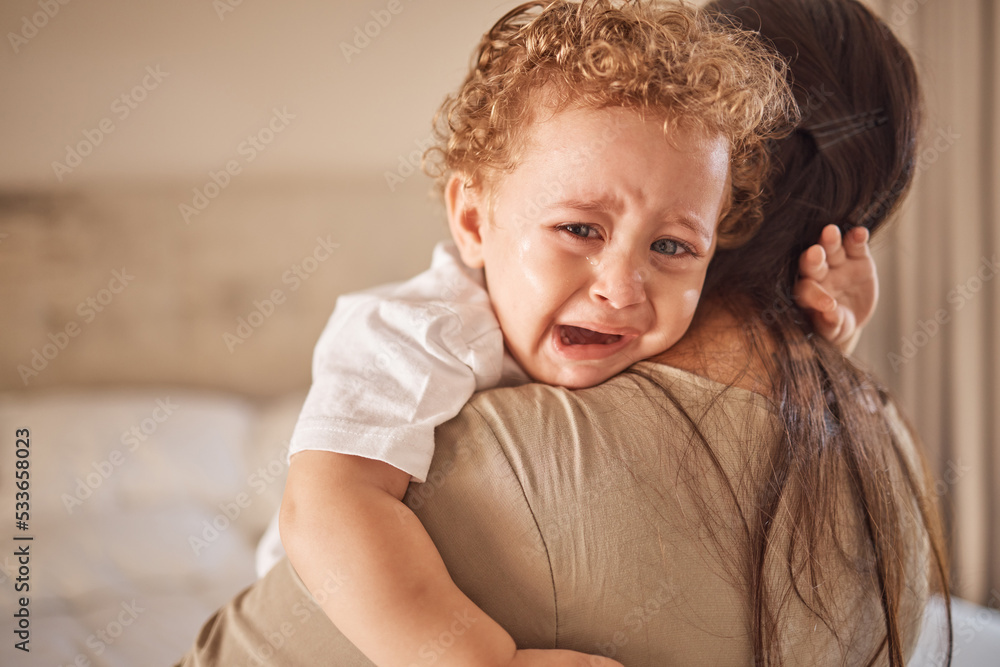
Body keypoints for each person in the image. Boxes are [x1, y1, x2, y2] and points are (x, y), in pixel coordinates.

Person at [176, 0, 948, 665]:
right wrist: (482, 657)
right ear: (474, 220)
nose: (621, 288)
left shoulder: (620, 334)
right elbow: (326, 506)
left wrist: (818, 336)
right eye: (580, 228)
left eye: (672, 247)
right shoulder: (413, 334)